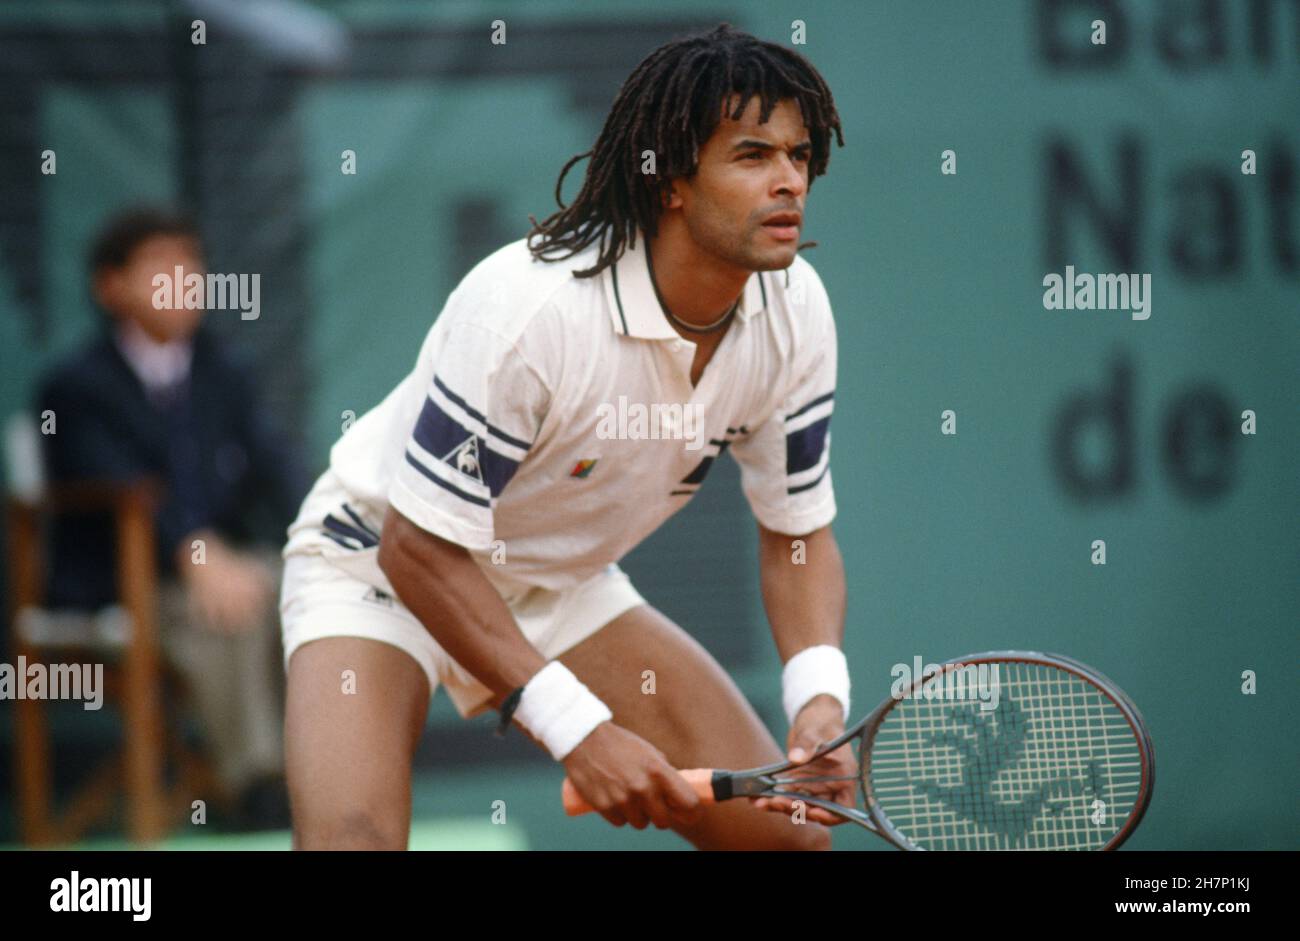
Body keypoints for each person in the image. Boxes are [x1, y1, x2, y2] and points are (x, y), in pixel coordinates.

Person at [282, 23, 852, 850]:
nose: (789, 181)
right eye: (753, 155)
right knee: (352, 844)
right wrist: (578, 729)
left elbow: (796, 534)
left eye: (799, 156)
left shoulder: (796, 311)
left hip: (555, 583)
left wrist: (818, 697)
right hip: (378, 565)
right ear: (672, 182)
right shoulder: (530, 307)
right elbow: (416, 548)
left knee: (788, 840)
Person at [36, 208, 306, 830]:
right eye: (161, 264)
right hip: (121, 588)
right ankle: (260, 792)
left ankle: (309, 771)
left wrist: (315, 535)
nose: (183, 279)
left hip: (230, 569)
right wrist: (197, 557)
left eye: (191, 263)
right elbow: (118, 485)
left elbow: (276, 469)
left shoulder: (226, 372)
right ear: (111, 286)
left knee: (297, 590)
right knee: (226, 611)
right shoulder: (73, 388)